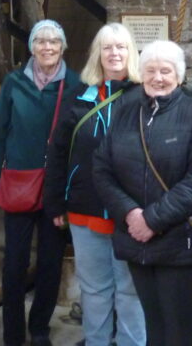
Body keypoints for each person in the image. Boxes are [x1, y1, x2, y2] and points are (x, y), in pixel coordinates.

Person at [94, 40, 192, 346]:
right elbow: (101, 168)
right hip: (136, 240)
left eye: (166, 71)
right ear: (141, 73)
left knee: (178, 331)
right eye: (151, 70)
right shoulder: (124, 110)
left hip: (178, 242)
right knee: (153, 327)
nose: (158, 78)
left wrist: (152, 219)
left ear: (179, 75)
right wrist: (130, 214)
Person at [45, 23, 146, 346]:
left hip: (130, 214)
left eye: (121, 47)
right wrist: (55, 202)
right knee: (94, 289)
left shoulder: (144, 95)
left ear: (131, 53)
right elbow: (59, 149)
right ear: (97, 54)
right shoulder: (81, 94)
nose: (114, 54)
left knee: (130, 289)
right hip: (85, 209)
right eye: (107, 48)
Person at [0, 19, 83, 346]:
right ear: (31, 47)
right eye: (40, 41)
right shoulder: (14, 83)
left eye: (54, 41)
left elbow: (79, 139)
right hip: (17, 184)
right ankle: (13, 333)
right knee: (14, 263)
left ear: (63, 46)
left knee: (50, 262)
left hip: (55, 189)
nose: (47, 47)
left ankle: (39, 327)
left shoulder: (74, 84)